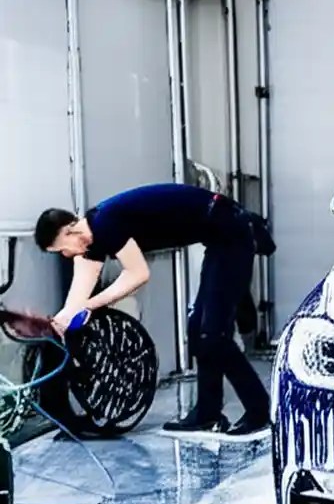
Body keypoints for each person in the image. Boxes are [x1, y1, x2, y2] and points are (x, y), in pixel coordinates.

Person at [34, 183, 272, 438]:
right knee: (198, 329)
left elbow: (137, 274)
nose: (66, 255)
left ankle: (260, 412)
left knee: (214, 335)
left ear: (70, 231)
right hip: (218, 239)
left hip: (233, 231)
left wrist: (91, 305)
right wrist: (58, 322)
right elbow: (76, 298)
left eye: (62, 249)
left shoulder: (105, 223)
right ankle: (207, 413)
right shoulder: (90, 241)